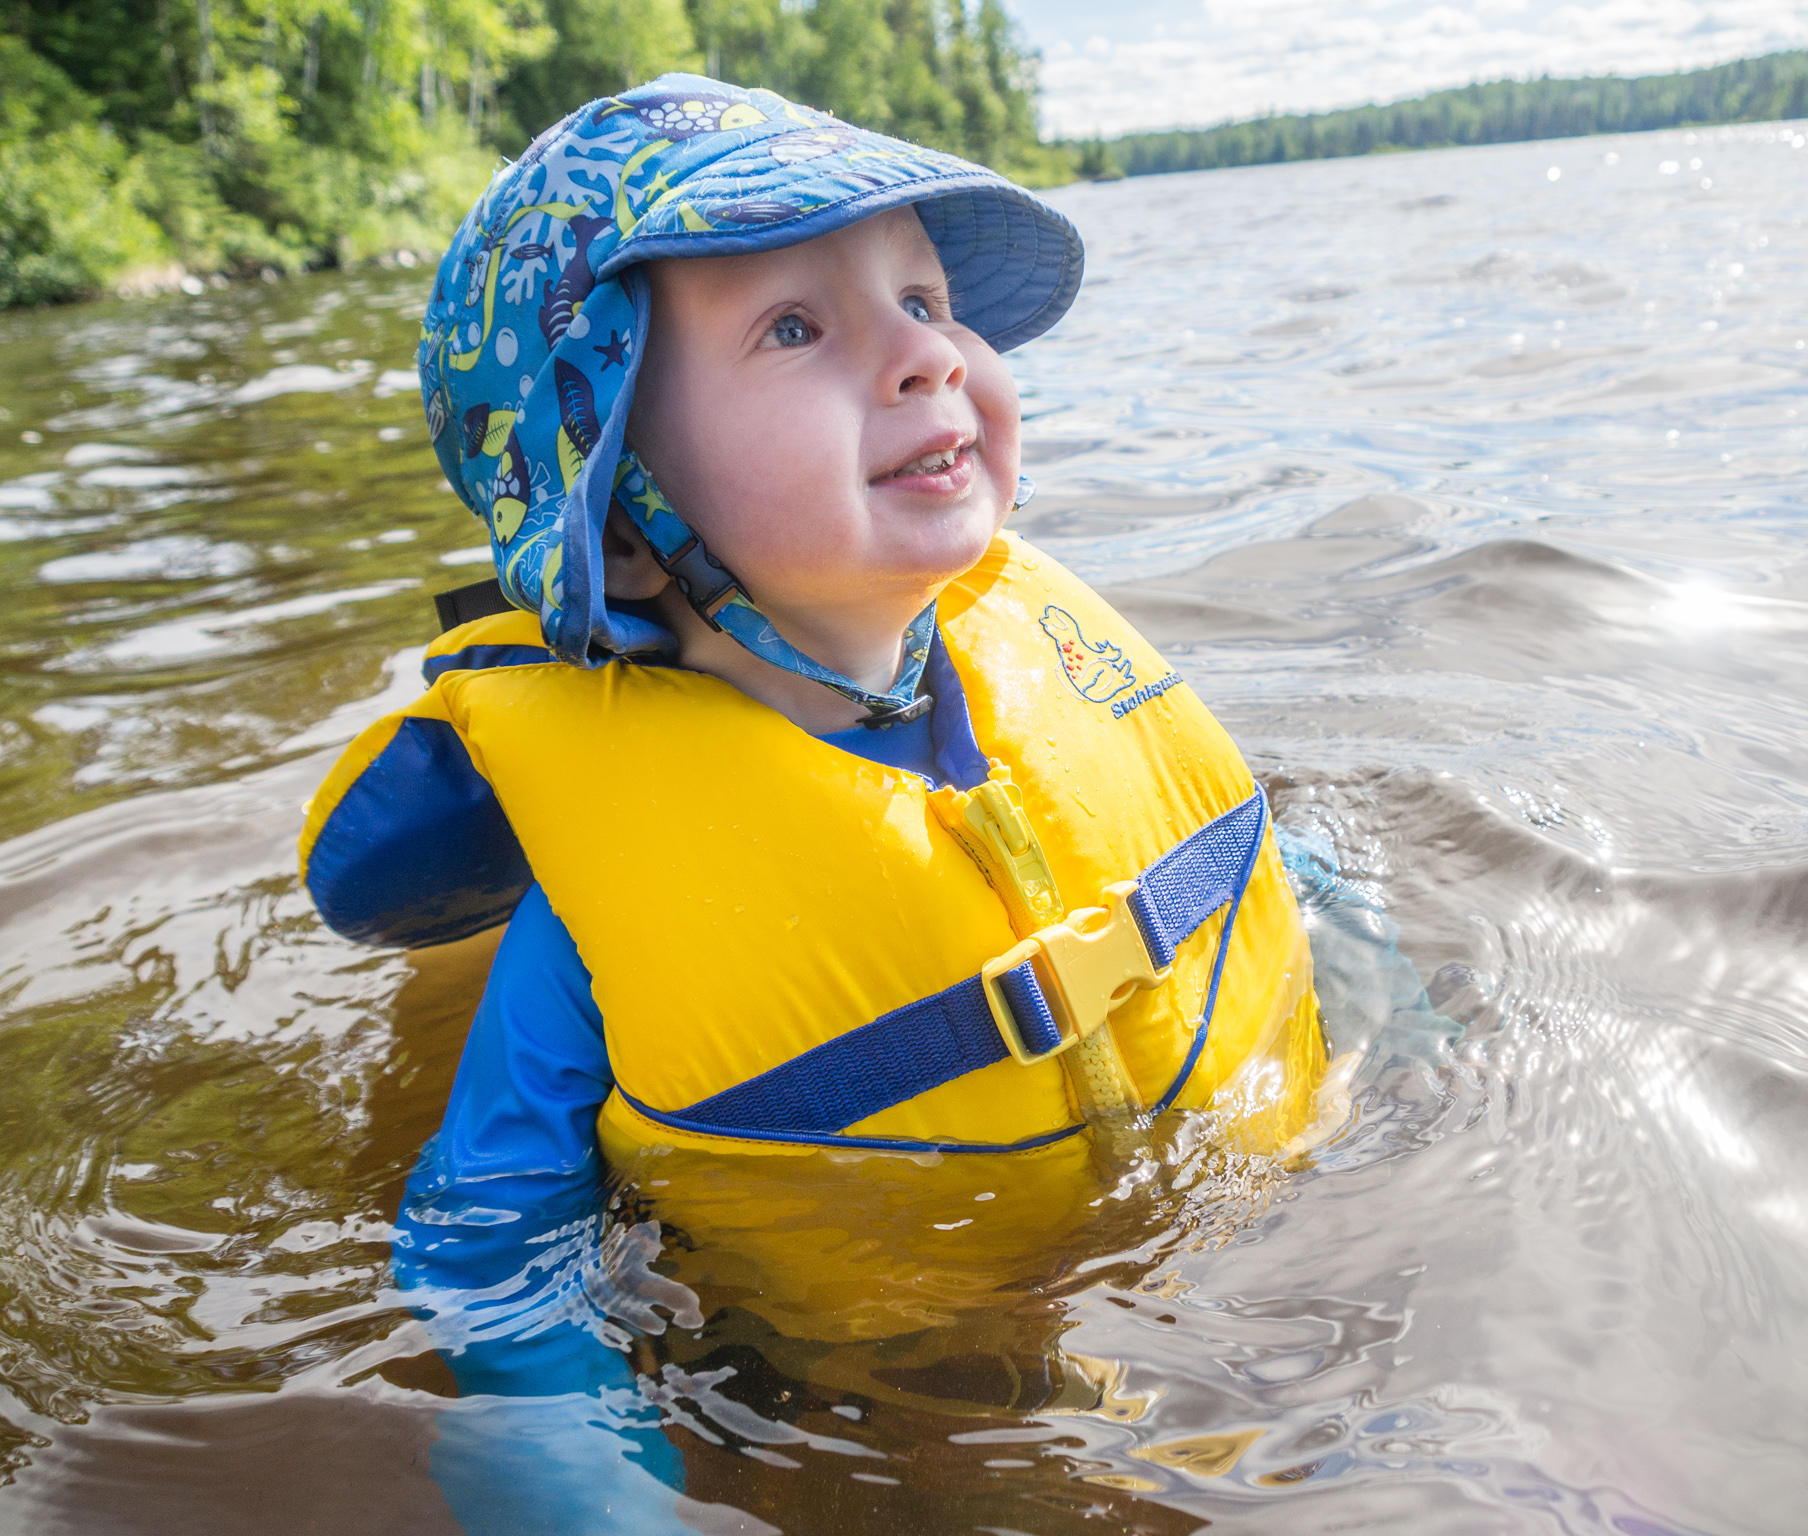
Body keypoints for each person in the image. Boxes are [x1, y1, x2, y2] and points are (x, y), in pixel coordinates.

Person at [300, 73, 1327, 1526]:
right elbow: (484, 1241)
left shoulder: (1059, 677)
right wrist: (584, 1470)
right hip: (851, 1375)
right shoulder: (610, 903)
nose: (925, 359)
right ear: (624, 520)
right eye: (796, 327)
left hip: (1240, 1280)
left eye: (923, 295)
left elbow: (1286, 880)